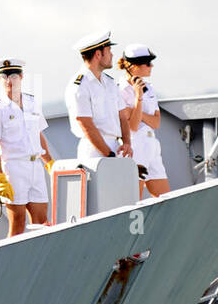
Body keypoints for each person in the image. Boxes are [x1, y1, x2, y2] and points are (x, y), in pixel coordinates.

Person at [0, 59, 53, 236]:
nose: (9, 81)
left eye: (13, 75)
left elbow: (39, 134)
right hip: (13, 168)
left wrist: (50, 162)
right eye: (4, 77)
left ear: (21, 77)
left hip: (35, 165)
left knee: (42, 223)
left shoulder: (32, 102)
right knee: (18, 223)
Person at [65, 30, 132, 163]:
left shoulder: (110, 83)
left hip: (116, 148)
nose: (112, 55)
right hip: (94, 151)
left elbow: (123, 117)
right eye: (109, 50)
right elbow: (85, 124)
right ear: (98, 54)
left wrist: (127, 143)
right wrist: (109, 154)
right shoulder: (79, 85)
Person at [118, 44, 170, 198]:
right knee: (134, 197)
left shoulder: (149, 88)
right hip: (135, 145)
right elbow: (132, 127)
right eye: (147, 63)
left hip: (152, 144)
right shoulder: (119, 90)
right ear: (133, 66)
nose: (151, 66)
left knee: (165, 197)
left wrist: (135, 112)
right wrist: (138, 98)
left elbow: (156, 122)